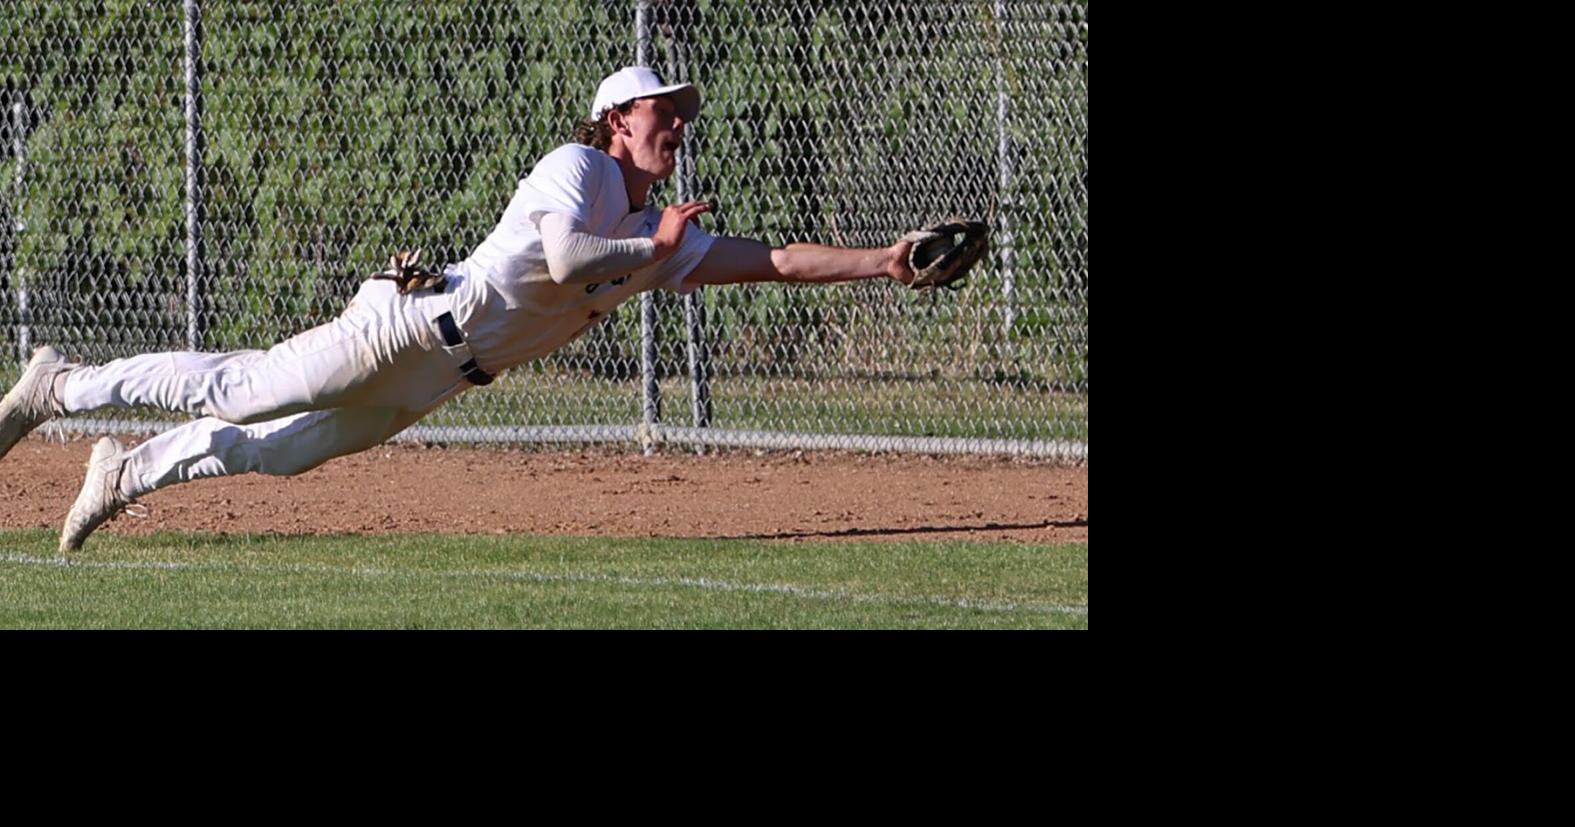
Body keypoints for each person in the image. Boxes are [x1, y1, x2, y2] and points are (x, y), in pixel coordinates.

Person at [0, 66, 917, 552]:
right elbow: (564, 259)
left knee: (283, 452)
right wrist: (656, 248)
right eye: (659, 111)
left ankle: (126, 473)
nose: (675, 122)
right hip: (412, 320)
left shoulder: (654, 228)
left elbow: (781, 261)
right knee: (242, 391)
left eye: (679, 113)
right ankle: (60, 385)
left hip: (445, 374)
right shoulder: (584, 170)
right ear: (614, 121)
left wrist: (885, 260)